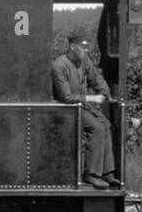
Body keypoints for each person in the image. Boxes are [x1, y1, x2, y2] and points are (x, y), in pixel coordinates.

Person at [52, 34, 121, 189]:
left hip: (81, 105)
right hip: (68, 109)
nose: (86, 49)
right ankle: (90, 174)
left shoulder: (84, 61)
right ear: (72, 46)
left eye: (87, 46)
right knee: (96, 128)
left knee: (106, 124)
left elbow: (96, 79)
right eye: (82, 46)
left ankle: (107, 172)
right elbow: (66, 97)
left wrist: (106, 93)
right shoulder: (59, 65)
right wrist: (92, 98)